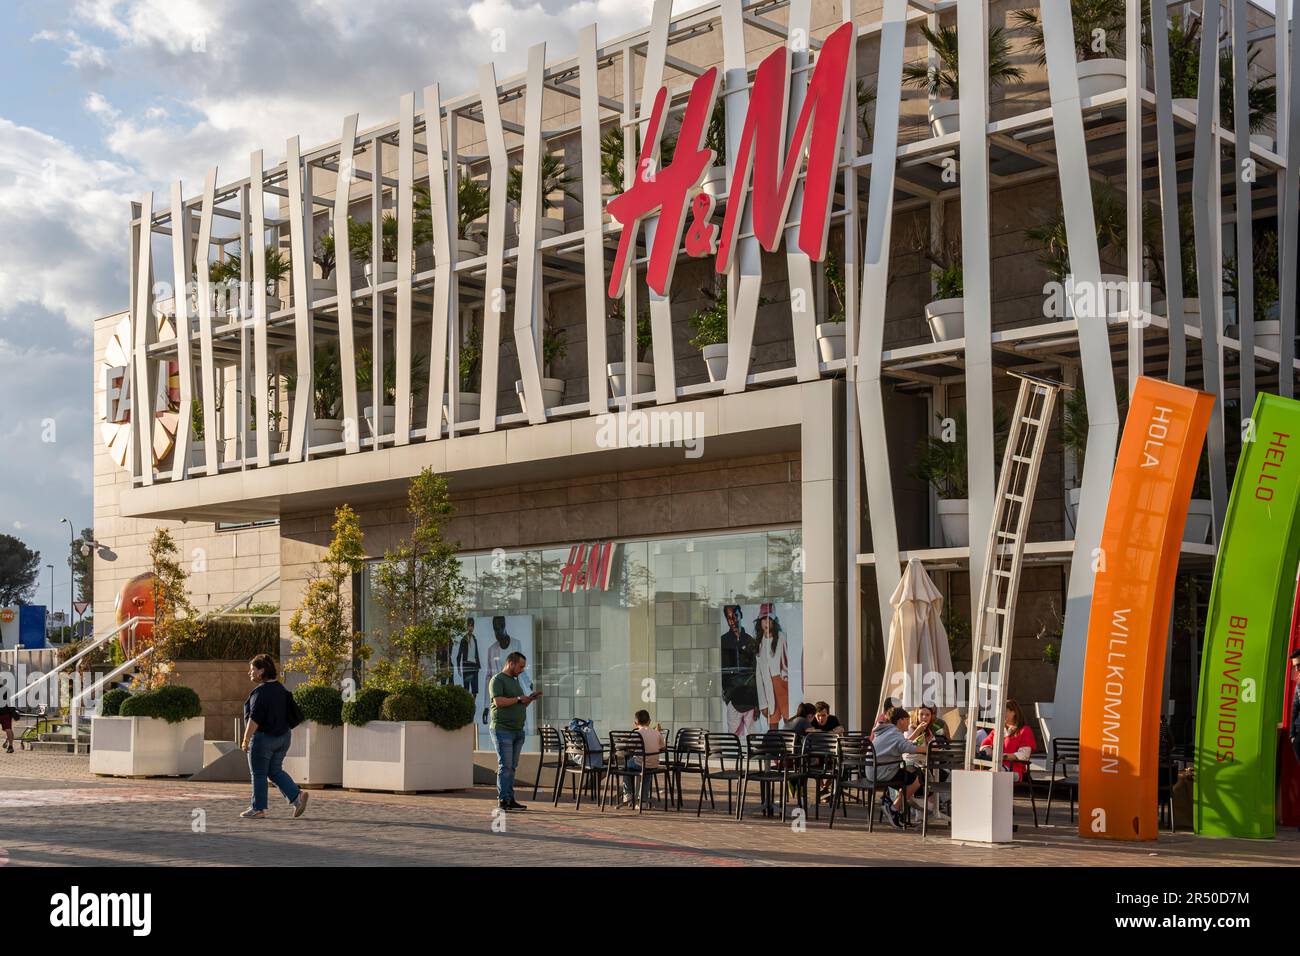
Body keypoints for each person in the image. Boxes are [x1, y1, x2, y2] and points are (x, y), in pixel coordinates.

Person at [239, 654, 308, 820]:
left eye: (252, 669)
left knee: (259, 773)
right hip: (283, 737)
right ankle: (296, 796)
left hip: (264, 739)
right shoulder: (280, 689)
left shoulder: (260, 693)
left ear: (261, 671)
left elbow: (254, 719)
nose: (250, 673)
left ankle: (258, 808)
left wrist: (245, 739)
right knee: (275, 770)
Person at [489, 650, 542, 812]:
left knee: (512, 766)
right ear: (510, 663)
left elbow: (518, 704)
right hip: (502, 729)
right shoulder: (497, 679)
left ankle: (510, 798)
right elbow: (498, 701)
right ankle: (503, 800)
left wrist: (529, 699)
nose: (522, 670)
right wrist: (519, 699)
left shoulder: (515, 680)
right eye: (520, 666)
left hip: (518, 730)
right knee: (505, 765)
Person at [867, 706, 923, 829]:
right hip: (882, 772)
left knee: (910, 775)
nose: (908, 724)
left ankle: (892, 804)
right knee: (917, 779)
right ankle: (893, 809)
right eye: (907, 720)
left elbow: (902, 744)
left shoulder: (886, 731)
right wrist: (929, 749)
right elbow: (909, 748)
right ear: (901, 720)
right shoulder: (894, 733)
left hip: (874, 770)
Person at [720, 605, 759, 735]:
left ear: (740, 615)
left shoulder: (750, 641)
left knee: (754, 739)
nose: (732, 621)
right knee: (733, 739)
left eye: (735, 616)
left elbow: (756, 672)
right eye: (729, 618)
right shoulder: (723, 641)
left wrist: (758, 703)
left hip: (750, 699)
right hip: (733, 699)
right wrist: (727, 695)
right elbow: (721, 671)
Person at [977, 699, 1036, 781]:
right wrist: (988, 750)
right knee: (978, 775)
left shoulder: (1025, 730)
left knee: (990, 777)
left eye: (1004, 711)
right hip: (995, 766)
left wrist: (1003, 756)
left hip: (1014, 769)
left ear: (1014, 712)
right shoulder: (998, 730)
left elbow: (1024, 755)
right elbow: (985, 744)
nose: (1000, 715)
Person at [620, 710, 666, 807]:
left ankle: (628, 793)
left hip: (640, 763)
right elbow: (663, 747)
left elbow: (630, 748)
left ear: (635, 723)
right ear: (649, 721)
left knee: (627, 765)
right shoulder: (657, 733)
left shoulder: (637, 734)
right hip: (654, 763)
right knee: (646, 772)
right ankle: (643, 801)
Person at [754, 604, 789, 731]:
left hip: (783, 684)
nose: (766, 623)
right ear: (760, 621)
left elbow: (787, 665)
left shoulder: (781, 638)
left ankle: (790, 751)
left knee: (788, 723)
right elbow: (759, 675)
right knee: (772, 726)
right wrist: (762, 703)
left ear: (774, 621)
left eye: (769, 619)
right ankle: (773, 751)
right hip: (768, 687)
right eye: (763, 619)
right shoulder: (759, 642)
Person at [457, 617, 481, 697]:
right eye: (469, 625)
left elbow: (476, 652)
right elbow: (459, 654)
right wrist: (458, 667)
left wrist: (478, 665)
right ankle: (468, 706)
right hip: (466, 665)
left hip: (474, 666)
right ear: (467, 626)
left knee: (475, 690)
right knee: (466, 688)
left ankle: (472, 707)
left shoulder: (475, 639)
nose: (471, 627)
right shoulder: (464, 639)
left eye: (472, 625)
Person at [1289, 649, 1300, 765]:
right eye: (1295, 667)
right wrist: (1292, 735)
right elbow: (1295, 708)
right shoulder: (1299, 684)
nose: (1297, 670)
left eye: (1299, 665)